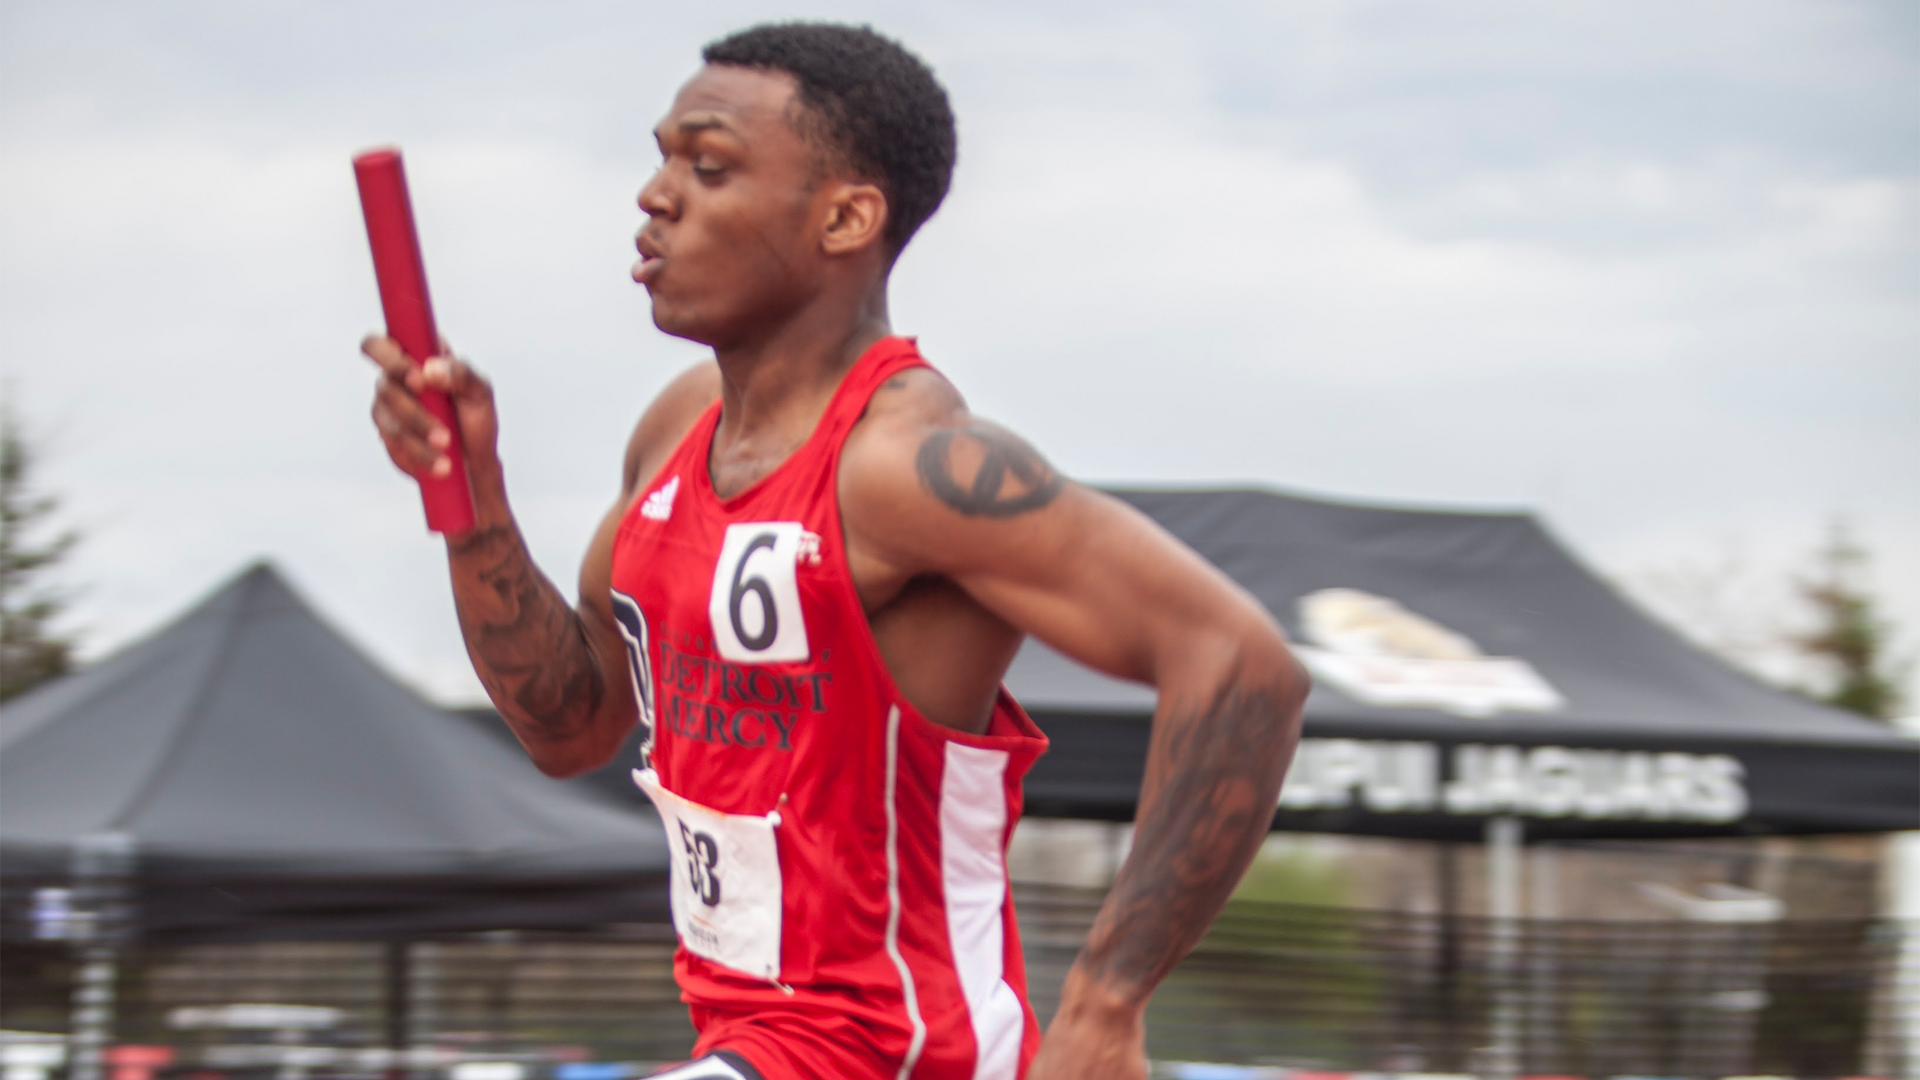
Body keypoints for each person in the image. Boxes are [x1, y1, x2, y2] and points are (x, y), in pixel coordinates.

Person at [363, 22, 1306, 1080]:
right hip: (749, 1047)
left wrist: (1105, 1003)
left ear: (847, 216)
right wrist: (475, 503)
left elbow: (1242, 662)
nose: (654, 195)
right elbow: (574, 727)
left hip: (894, 1053)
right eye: (662, 155)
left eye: (707, 166)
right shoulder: (676, 430)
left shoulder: (908, 468)